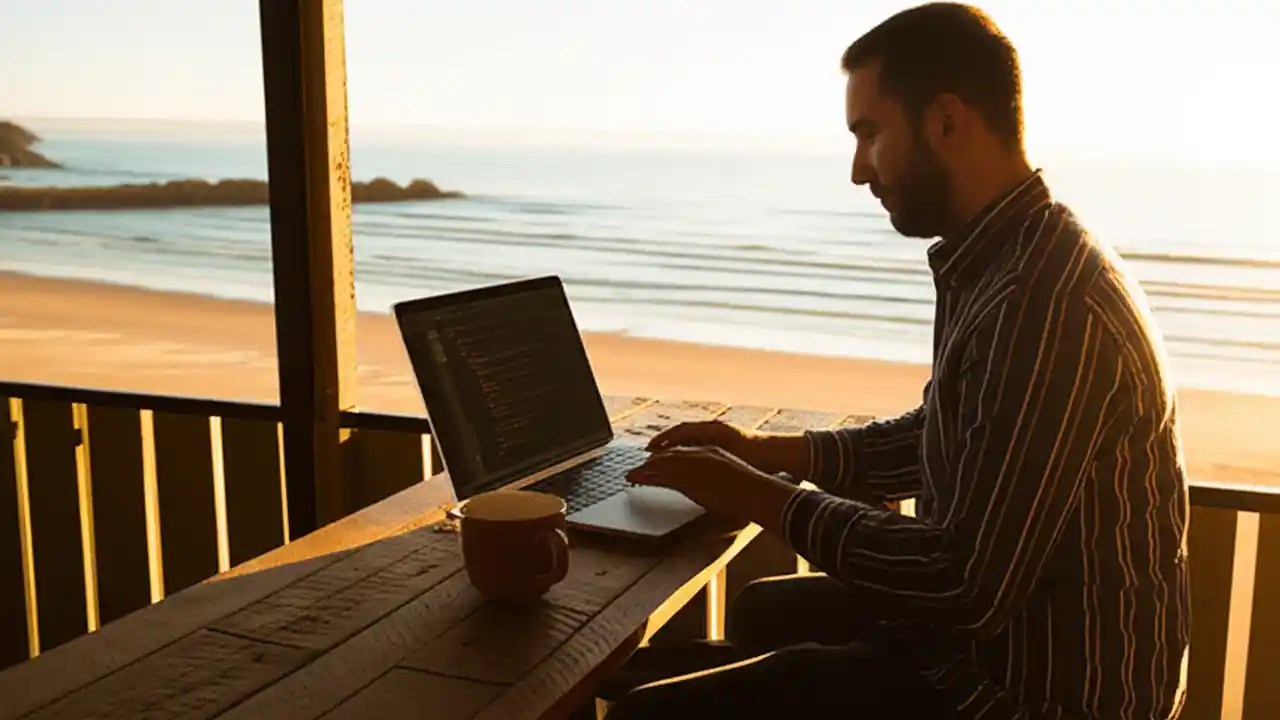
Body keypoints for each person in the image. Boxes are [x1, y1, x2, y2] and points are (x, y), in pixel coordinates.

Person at [609, 3, 1190, 718]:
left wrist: (759, 497)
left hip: (1026, 692)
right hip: (991, 646)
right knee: (763, 611)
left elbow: (963, 581)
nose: (858, 172)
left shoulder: (1043, 302)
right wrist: (769, 453)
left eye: (870, 134)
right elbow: (947, 433)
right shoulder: (1010, 256)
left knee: (650, 712)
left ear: (945, 122)